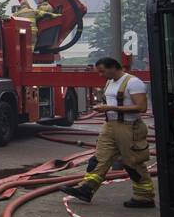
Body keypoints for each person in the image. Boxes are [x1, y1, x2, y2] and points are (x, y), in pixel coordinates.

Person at [61, 57, 155, 208]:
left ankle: (144, 197)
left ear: (113, 67)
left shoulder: (133, 82)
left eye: (102, 71)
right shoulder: (110, 82)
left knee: (133, 162)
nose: (100, 75)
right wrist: (105, 107)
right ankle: (86, 189)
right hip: (110, 127)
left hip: (129, 128)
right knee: (99, 159)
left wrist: (110, 108)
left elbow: (141, 107)